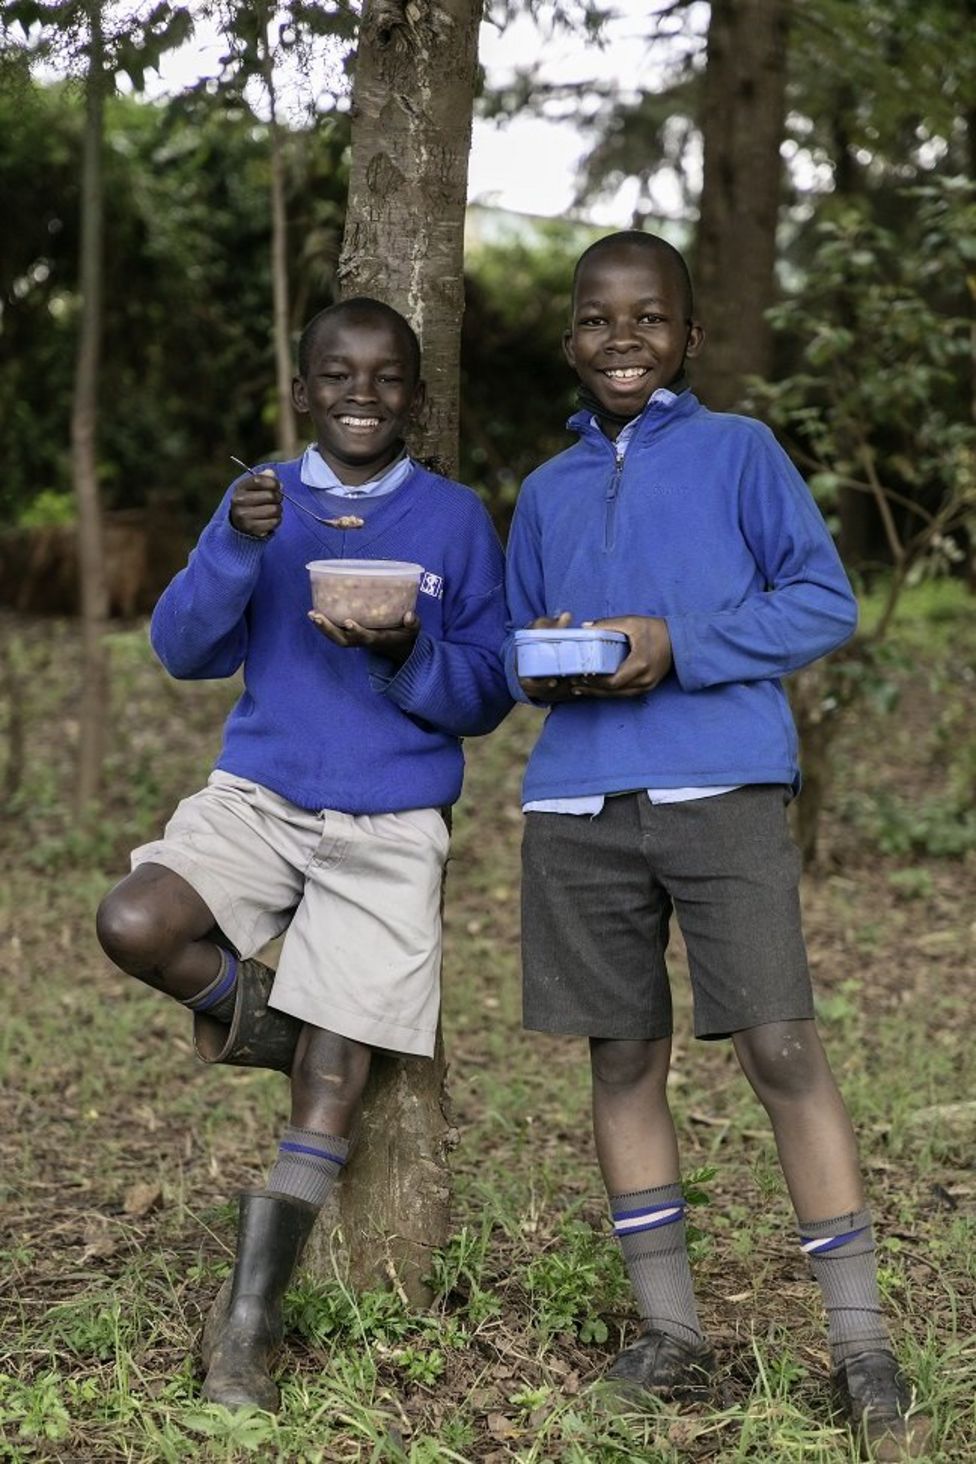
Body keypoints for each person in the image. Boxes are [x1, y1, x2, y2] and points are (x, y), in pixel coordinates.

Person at [503, 231, 927, 1460]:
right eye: (597, 318)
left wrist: (674, 641)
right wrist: (555, 661)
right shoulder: (543, 490)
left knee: (780, 1044)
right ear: (569, 339)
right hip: (579, 803)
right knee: (622, 1054)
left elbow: (822, 601)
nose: (620, 338)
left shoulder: (740, 451)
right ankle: (670, 1334)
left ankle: (861, 1349)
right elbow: (525, 647)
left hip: (725, 784)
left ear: (687, 337)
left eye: (648, 317)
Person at [96, 296, 511, 1411]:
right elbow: (182, 649)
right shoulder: (261, 503)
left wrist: (408, 647)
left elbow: (487, 693)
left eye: (385, 378)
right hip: (262, 796)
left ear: (415, 398)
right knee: (134, 921)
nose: (360, 395)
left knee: (330, 1090)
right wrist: (235, 543)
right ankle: (283, 1025)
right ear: (302, 391)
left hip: (393, 819)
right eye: (337, 375)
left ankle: (247, 1331)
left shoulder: (455, 520)